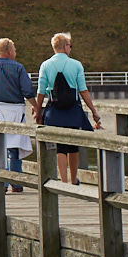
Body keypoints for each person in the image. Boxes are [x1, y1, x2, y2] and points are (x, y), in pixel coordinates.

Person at [35, 32, 101, 185]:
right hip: (73, 109)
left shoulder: (45, 65)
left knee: (60, 147)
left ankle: (63, 181)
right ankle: (73, 179)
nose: (70, 48)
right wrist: (93, 111)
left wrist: (38, 111)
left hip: (54, 110)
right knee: (73, 145)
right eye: (70, 46)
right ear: (65, 46)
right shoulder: (76, 64)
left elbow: (41, 91)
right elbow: (83, 90)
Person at [0, 38, 36, 190]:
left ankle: (1, 183)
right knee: (15, 148)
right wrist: (37, 107)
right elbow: (27, 91)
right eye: (14, 50)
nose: (15, 53)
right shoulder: (18, 68)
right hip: (15, 109)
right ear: (9, 51)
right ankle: (15, 183)